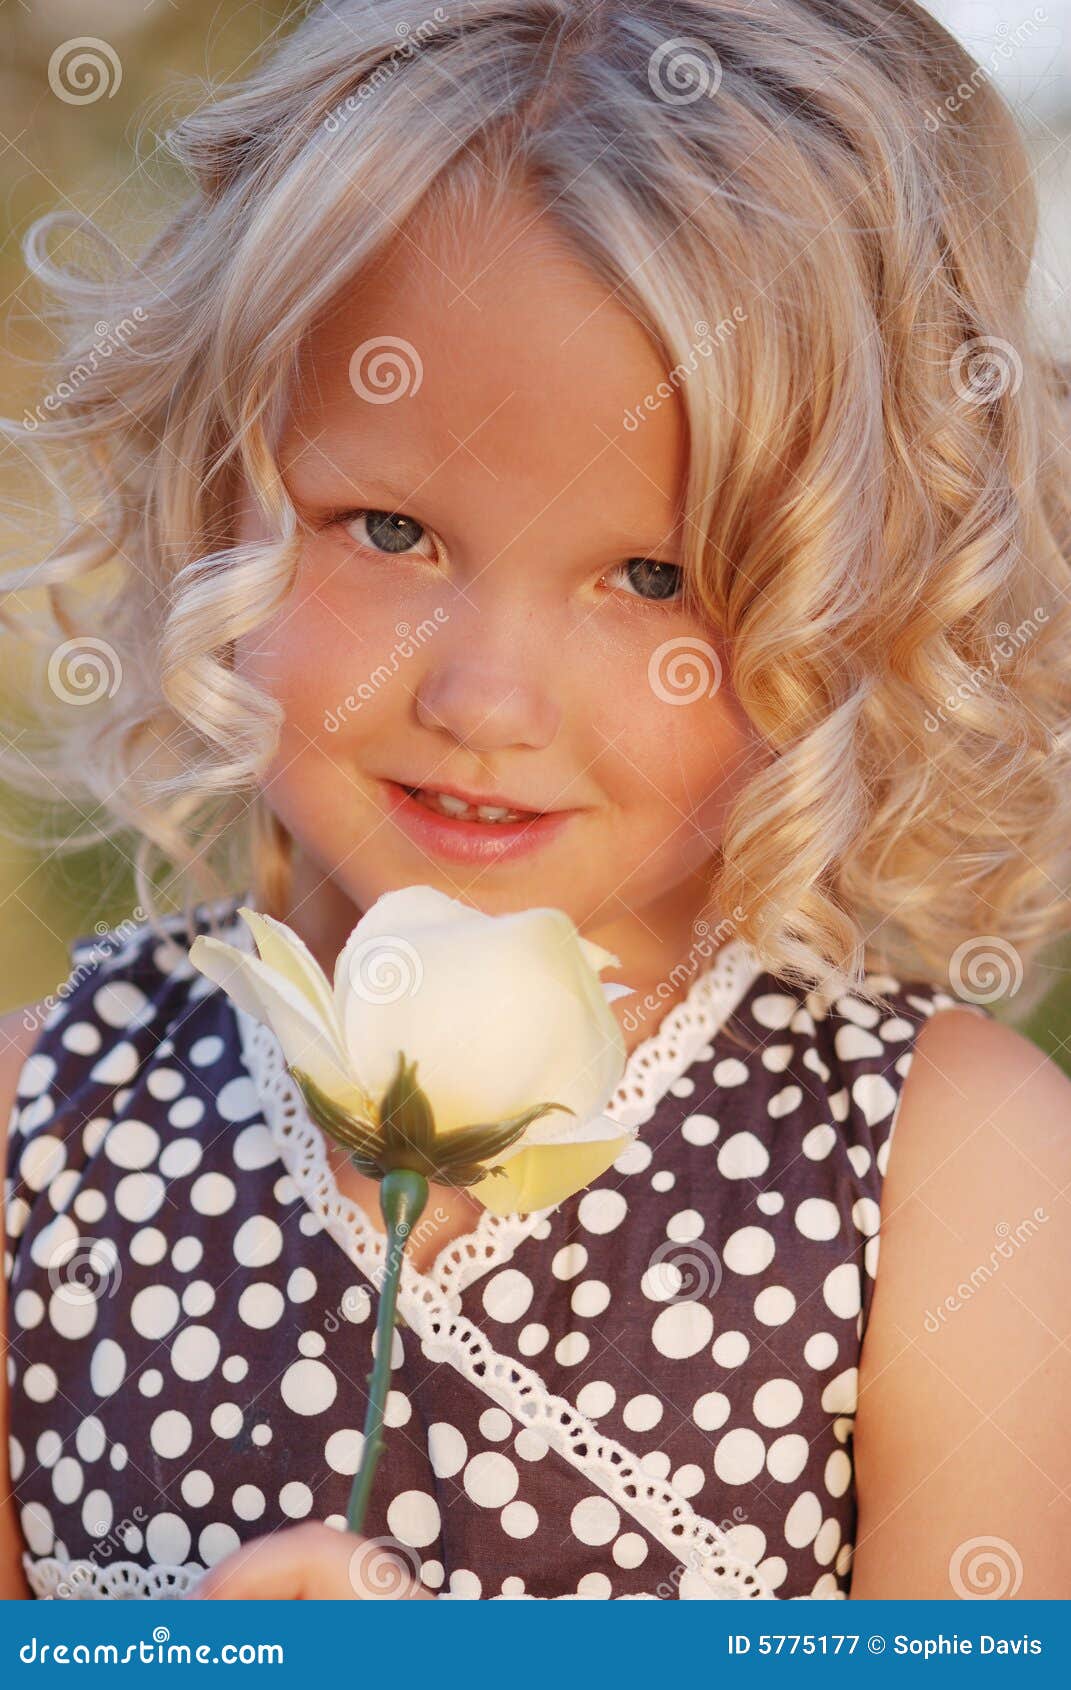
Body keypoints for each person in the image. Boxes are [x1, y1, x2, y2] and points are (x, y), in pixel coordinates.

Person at [2, 0, 1070, 1602]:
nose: (486, 699)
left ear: (857, 606)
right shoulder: (46, 1139)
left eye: (654, 576)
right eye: (387, 531)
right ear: (218, 489)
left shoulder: (956, 1177)